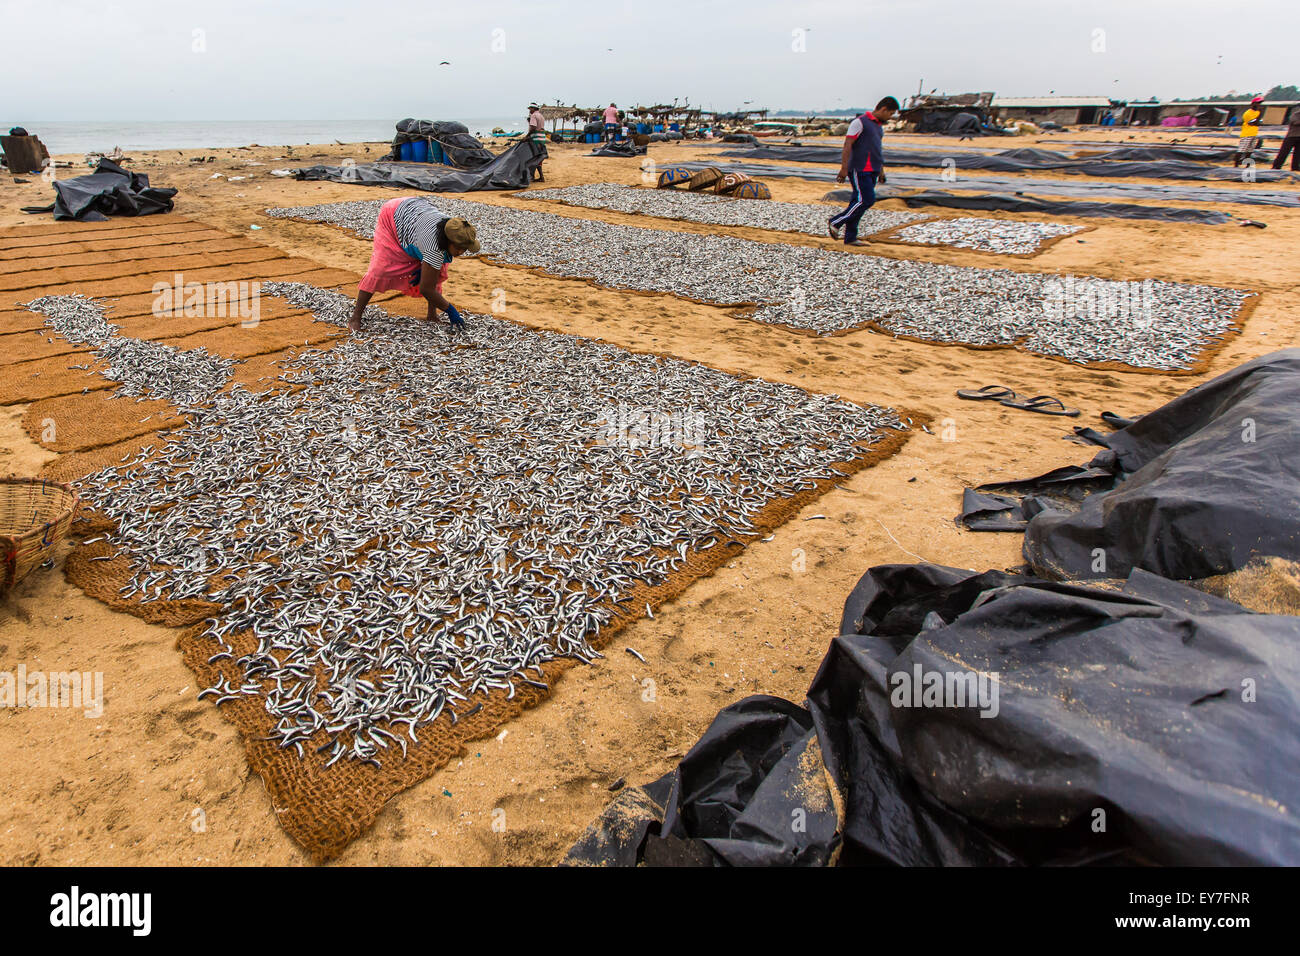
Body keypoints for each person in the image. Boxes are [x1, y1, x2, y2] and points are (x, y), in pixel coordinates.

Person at [349, 196, 480, 333]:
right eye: (458, 248)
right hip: (393, 216)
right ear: (448, 241)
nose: (461, 252)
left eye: (464, 248)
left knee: (437, 271)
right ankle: (355, 317)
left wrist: (426, 269)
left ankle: (432, 315)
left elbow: (432, 273)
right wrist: (450, 310)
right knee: (380, 270)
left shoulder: (453, 227)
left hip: (416, 213)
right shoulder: (434, 247)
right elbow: (426, 289)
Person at [829, 96, 899, 246]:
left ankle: (851, 237)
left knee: (857, 201)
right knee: (866, 200)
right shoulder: (859, 122)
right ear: (884, 109)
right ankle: (836, 221)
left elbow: (876, 150)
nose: (890, 117)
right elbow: (848, 144)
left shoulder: (878, 126)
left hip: (873, 169)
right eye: (891, 113)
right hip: (859, 169)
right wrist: (844, 168)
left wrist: (881, 170)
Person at [1234, 96, 1264, 167]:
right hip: (1246, 134)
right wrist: (1260, 114)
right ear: (1253, 104)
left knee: (1250, 151)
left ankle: (1247, 165)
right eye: (1258, 103)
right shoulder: (1247, 113)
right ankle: (1235, 165)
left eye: (1260, 103)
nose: (1259, 105)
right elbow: (1253, 123)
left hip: (1254, 133)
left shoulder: (1257, 113)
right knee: (1242, 150)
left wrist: (1259, 115)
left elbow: (1258, 123)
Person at [1272, 105, 1300, 172]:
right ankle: (1276, 166)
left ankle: (1295, 167)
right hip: (1291, 136)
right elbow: (1295, 122)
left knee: (1298, 153)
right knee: (1284, 152)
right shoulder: (1296, 114)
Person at [527, 104, 546, 181]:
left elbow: (533, 127)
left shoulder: (534, 116)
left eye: (530, 109)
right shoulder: (541, 116)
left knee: (534, 157)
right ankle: (541, 177)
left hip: (536, 138)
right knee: (539, 158)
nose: (529, 110)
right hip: (542, 137)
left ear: (533, 108)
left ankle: (532, 176)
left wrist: (527, 136)